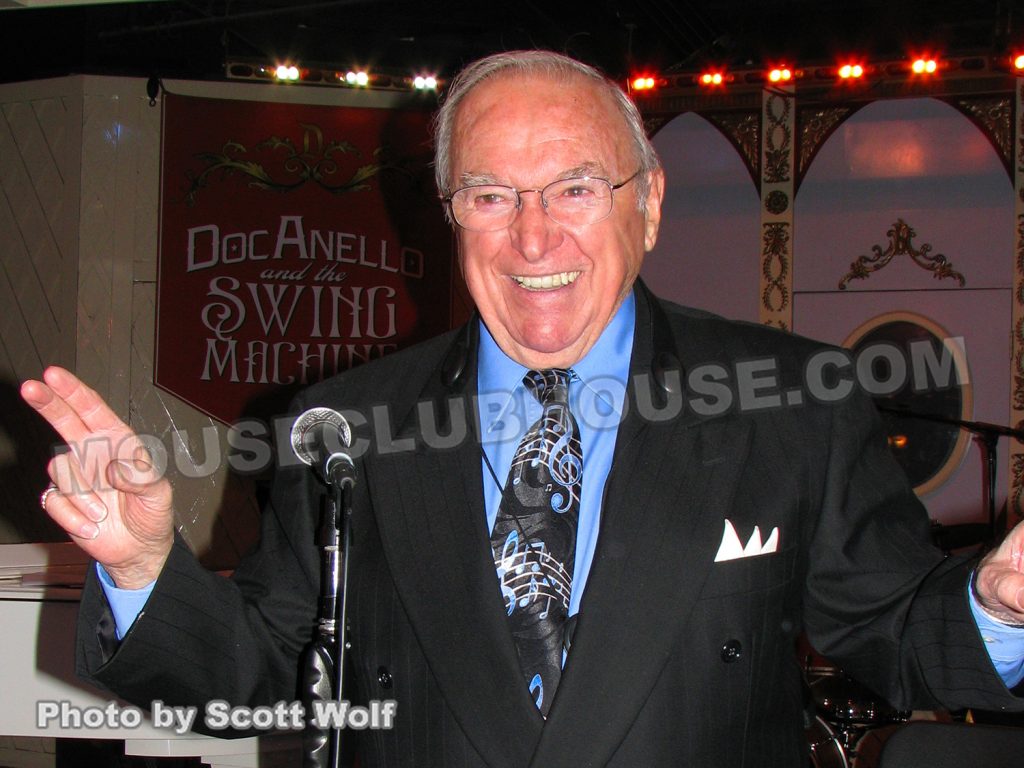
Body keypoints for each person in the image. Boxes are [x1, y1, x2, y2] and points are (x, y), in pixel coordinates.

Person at [20, 49, 1024, 767]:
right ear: (450, 209)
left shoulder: (795, 398)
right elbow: (264, 675)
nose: (532, 238)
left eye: (575, 188)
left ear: (651, 202)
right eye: (491, 194)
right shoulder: (346, 425)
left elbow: (896, 632)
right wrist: (143, 565)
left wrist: (997, 605)